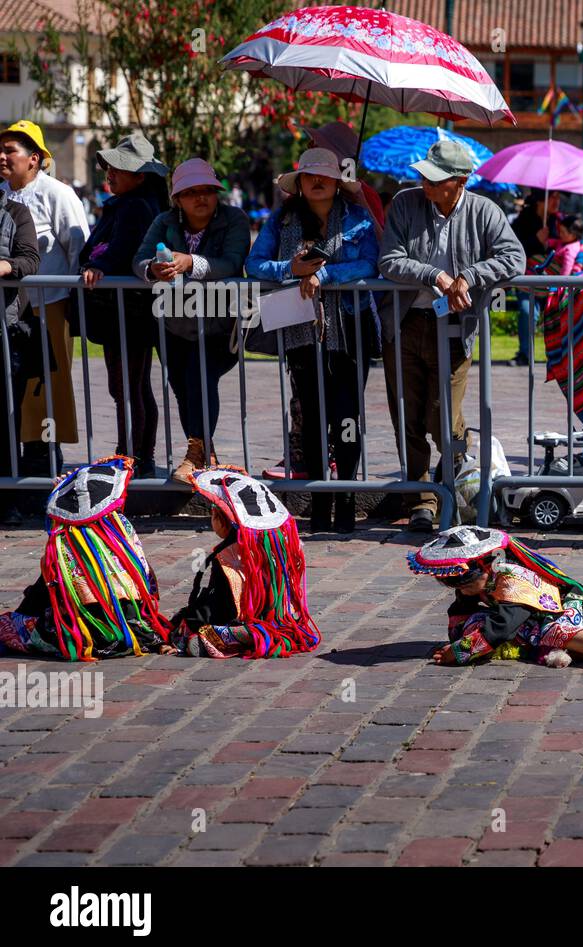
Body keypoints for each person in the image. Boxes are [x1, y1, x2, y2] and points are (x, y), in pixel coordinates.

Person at [378, 140, 525, 534]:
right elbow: (389, 259)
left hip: (457, 329)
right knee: (407, 416)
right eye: (424, 174)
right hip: (406, 323)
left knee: (443, 415)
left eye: (435, 178)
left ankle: (455, 477)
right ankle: (421, 501)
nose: (424, 182)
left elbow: (515, 257)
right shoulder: (406, 204)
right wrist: (434, 275)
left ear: (460, 181)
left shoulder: (484, 211)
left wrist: (470, 276)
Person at [246, 147, 381, 534]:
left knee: (348, 418)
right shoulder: (282, 219)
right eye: (309, 176)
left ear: (339, 182)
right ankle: (319, 499)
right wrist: (291, 267)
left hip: (350, 329)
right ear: (300, 183)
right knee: (313, 417)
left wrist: (327, 275)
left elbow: (371, 262)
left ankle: (346, 495)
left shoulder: (357, 218)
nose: (317, 182)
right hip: (300, 329)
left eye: (325, 176)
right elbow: (255, 264)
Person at [134, 158, 251, 482]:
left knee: (200, 375)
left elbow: (231, 262)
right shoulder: (164, 221)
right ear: (178, 198)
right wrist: (151, 270)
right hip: (174, 322)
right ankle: (203, 452)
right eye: (191, 192)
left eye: (208, 191)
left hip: (220, 323)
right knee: (182, 387)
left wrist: (190, 263)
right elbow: (140, 258)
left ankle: (194, 454)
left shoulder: (235, 219)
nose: (201, 198)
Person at [412, 525, 583, 674]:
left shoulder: (514, 579)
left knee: (552, 631)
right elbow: (462, 611)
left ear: (485, 568)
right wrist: (458, 637)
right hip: (529, 617)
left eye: (463, 584)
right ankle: (570, 650)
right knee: (474, 622)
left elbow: (503, 626)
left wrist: (461, 651)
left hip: (562, 610)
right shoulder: (478, 580)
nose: (459, 590)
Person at [0, 457, 173, 659]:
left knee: (10, 625)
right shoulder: (122, 536)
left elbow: (40, 598)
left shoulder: (66, 543)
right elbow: (148, 588)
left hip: (81, 635)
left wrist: (60, 492)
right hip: (133, 629)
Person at [0, 120, 88, 479]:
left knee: (46, 390)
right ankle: (12, 459)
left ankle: (45, 460)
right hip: (9, 311)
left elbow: (78, 247)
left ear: (34, 158)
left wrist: (76, 302)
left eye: (11, 151)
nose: (3, 157)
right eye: (1, 150)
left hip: (49, 304)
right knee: (11, 388)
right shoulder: (2, 195)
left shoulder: (57, 194)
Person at [79, 133, 171, 477]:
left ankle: (133, 456)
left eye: (118, 167)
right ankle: (135, 453)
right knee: (129, 386)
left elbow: (122, 250)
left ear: (139, 176)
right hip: (123, 309)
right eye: (109, 167)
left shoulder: (136, 206)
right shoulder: (129, 203)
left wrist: (97, 265)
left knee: (128, 387)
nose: (109, 173)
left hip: (130, 310)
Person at [168, 467, 321, 658]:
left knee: (194, 632)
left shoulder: (226, 557)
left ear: (220, 519)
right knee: (283, 625)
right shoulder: (276, 548)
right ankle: (269, 629)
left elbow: (216, 605)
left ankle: (247, 634)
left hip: (237, 619)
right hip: (278, 615)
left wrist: (187, 623)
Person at [0, 187, 42, 524]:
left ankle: (7, 500)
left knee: (6, 417)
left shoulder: (16, 213)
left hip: (7, 330)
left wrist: (4, 266)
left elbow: (30, 259)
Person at [510, 189, 561, 366]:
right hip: (528, 279)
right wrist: (536, 240)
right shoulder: (522, 221)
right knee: (527, 311)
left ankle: (559, 356)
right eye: (553, 198)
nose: (557, 202)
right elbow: (513, 250)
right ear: (541, 201)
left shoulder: (558, 221)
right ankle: (525, 353)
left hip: (552, 280)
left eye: (558, 198)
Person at [304, 120, 386, 229]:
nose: (311, 150)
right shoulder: (309, 189)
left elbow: (381, 243)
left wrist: (362, 203)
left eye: (316, 147)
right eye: (311, 146)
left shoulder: (365, 195)